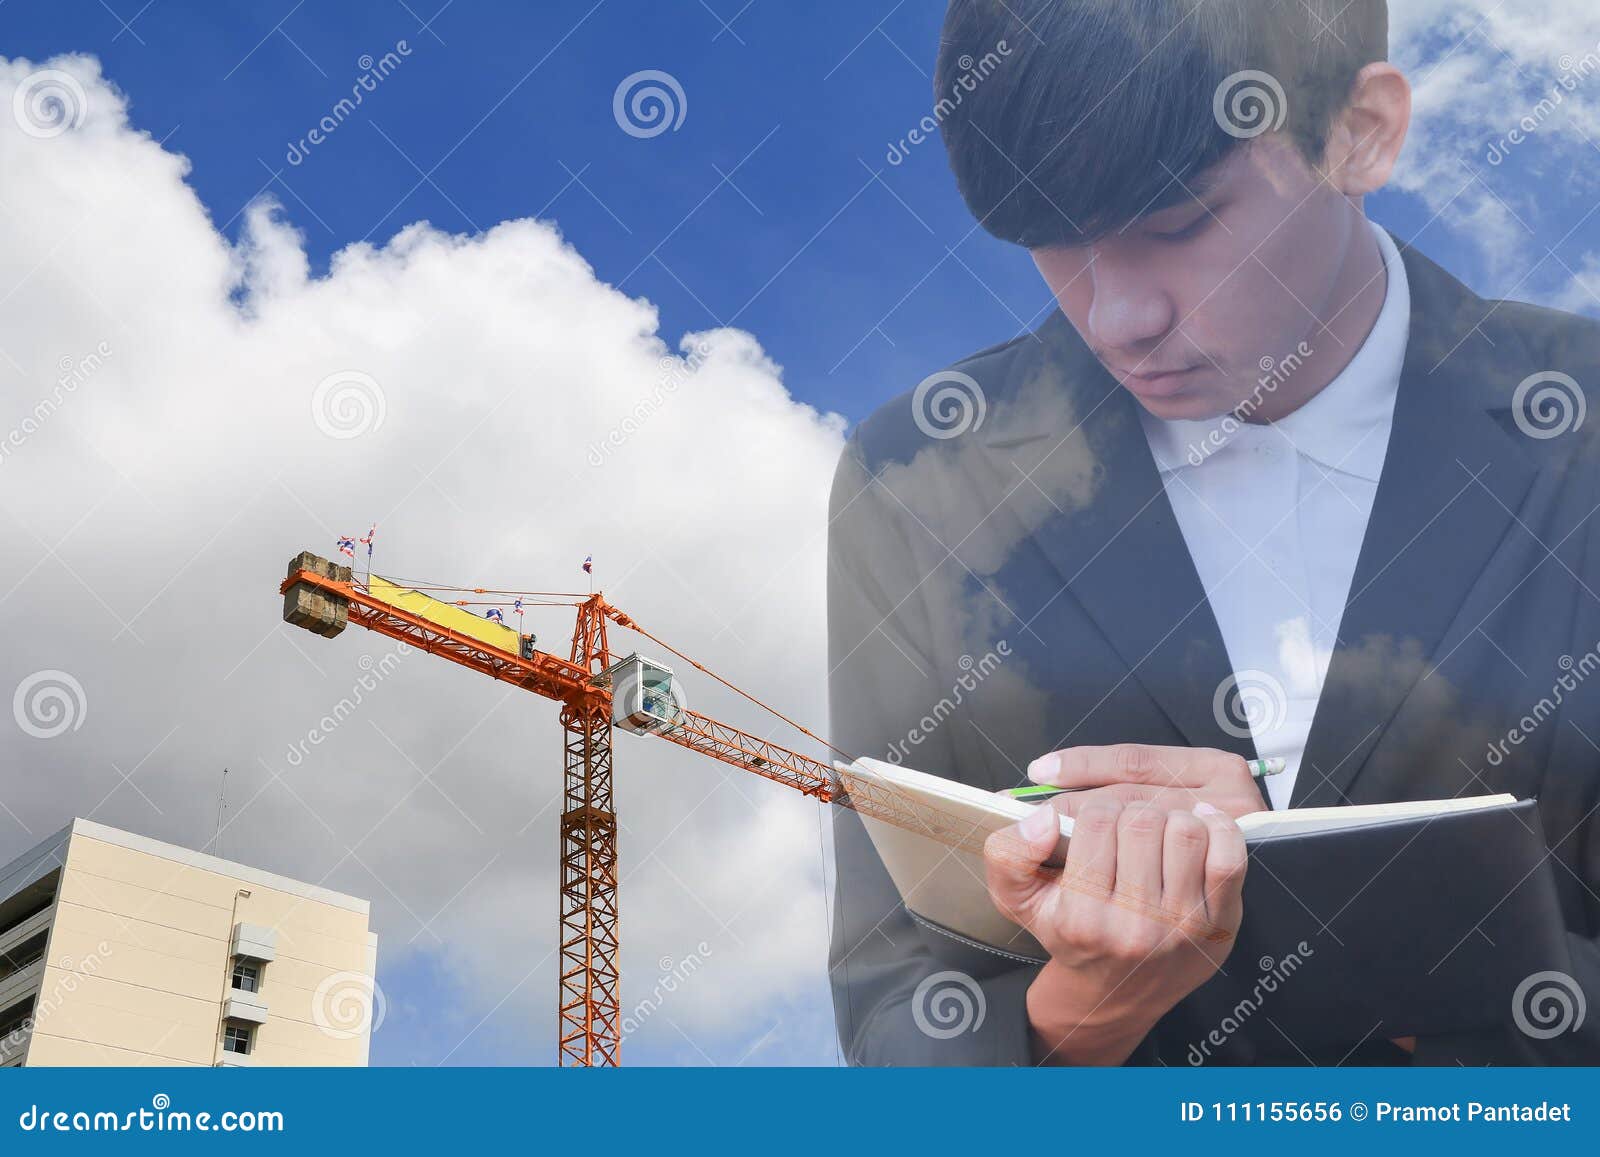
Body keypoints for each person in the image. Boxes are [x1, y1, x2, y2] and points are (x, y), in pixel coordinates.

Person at [827, 0, 1600, 1066]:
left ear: (1362, 132)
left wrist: (1327, 920)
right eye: (1052, 241)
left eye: (1181, 224)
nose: (1117, 319)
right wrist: (1080, 1010)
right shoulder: (920, 478)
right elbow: (893, 1006)